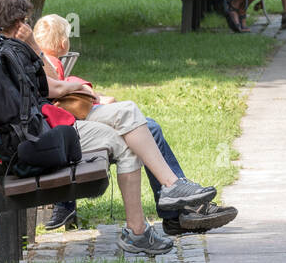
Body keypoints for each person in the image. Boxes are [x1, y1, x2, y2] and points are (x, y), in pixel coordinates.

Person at [0, 0, 218, 256]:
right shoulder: (9, 51)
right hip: (43, 137)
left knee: (129, 117)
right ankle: (159, 204)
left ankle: (155, 209)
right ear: (20, 17)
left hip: (40, 131)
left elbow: (46, 86)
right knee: (127, 122)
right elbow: (54, 87)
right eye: (24, 18)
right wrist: (81, 89)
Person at [31, 14, 238, 236]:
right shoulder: (35, 56)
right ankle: (178, 208)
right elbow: (56, 88)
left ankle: (178, 207)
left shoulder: (30, 53)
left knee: (148, 126)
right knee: (147, 126)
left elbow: (56, 85)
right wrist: (89, 94)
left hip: (65, 125)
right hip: (65, 129)